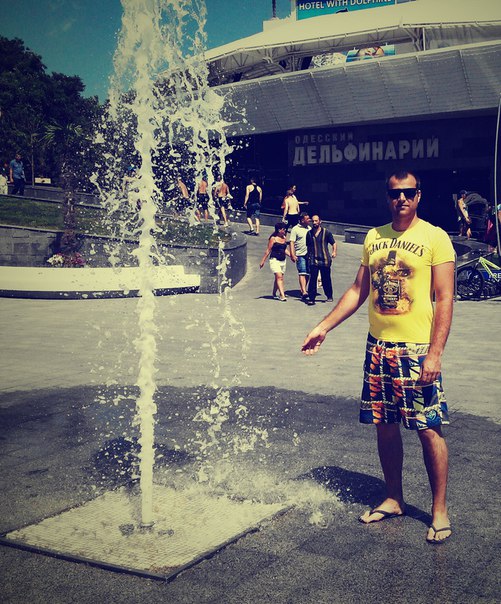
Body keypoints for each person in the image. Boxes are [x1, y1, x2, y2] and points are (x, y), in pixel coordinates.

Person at [301, 169, 455, 545]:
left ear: (418, 196)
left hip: (416, 350)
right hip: (378, 348)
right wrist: (323, 326)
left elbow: (445, 298)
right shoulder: (374, 237)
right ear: (387, 197)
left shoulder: (435, 237)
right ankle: (394, 498)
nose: (401, 198)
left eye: (409, 193)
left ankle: (439, 510)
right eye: (395, 193)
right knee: (384, 425)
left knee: (428, 427)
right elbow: (359, 290)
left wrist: (435, 353)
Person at [305, 214, 337, 305]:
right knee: (313, 279)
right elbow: (308, 246)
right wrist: (308, 256)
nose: (314, 223)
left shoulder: (326, 232)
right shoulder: (309, 233)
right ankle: (311, 298)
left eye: (316, 221)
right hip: (313, 260)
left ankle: (329, 296)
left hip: (325, 259)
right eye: (313, 221)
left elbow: (333, 243)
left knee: (326, 278)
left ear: (320, 221)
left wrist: (334, 252)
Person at [259, 222, 289, 302]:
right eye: (283, 229)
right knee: (279, 277)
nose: (285, 231)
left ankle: (274, 293)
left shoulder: (284, 237)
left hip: (283, 260)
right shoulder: (273, 238)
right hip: (274, 260)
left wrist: (292, 256)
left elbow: (284, 249)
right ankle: (282, 295)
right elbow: (268, 250)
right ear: (279, 230)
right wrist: (263, 261)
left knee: (278, 278)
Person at [289, 212, 311, 301]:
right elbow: (292, 242)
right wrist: (292, 254)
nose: (309, 220)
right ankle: (304, 291)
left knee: (308, 273)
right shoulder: (295, 229)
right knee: (302, 272)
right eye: (307, 219)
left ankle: (303, 289)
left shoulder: (309, 229)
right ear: (302, 220)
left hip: (309, 254)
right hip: (300, 254)